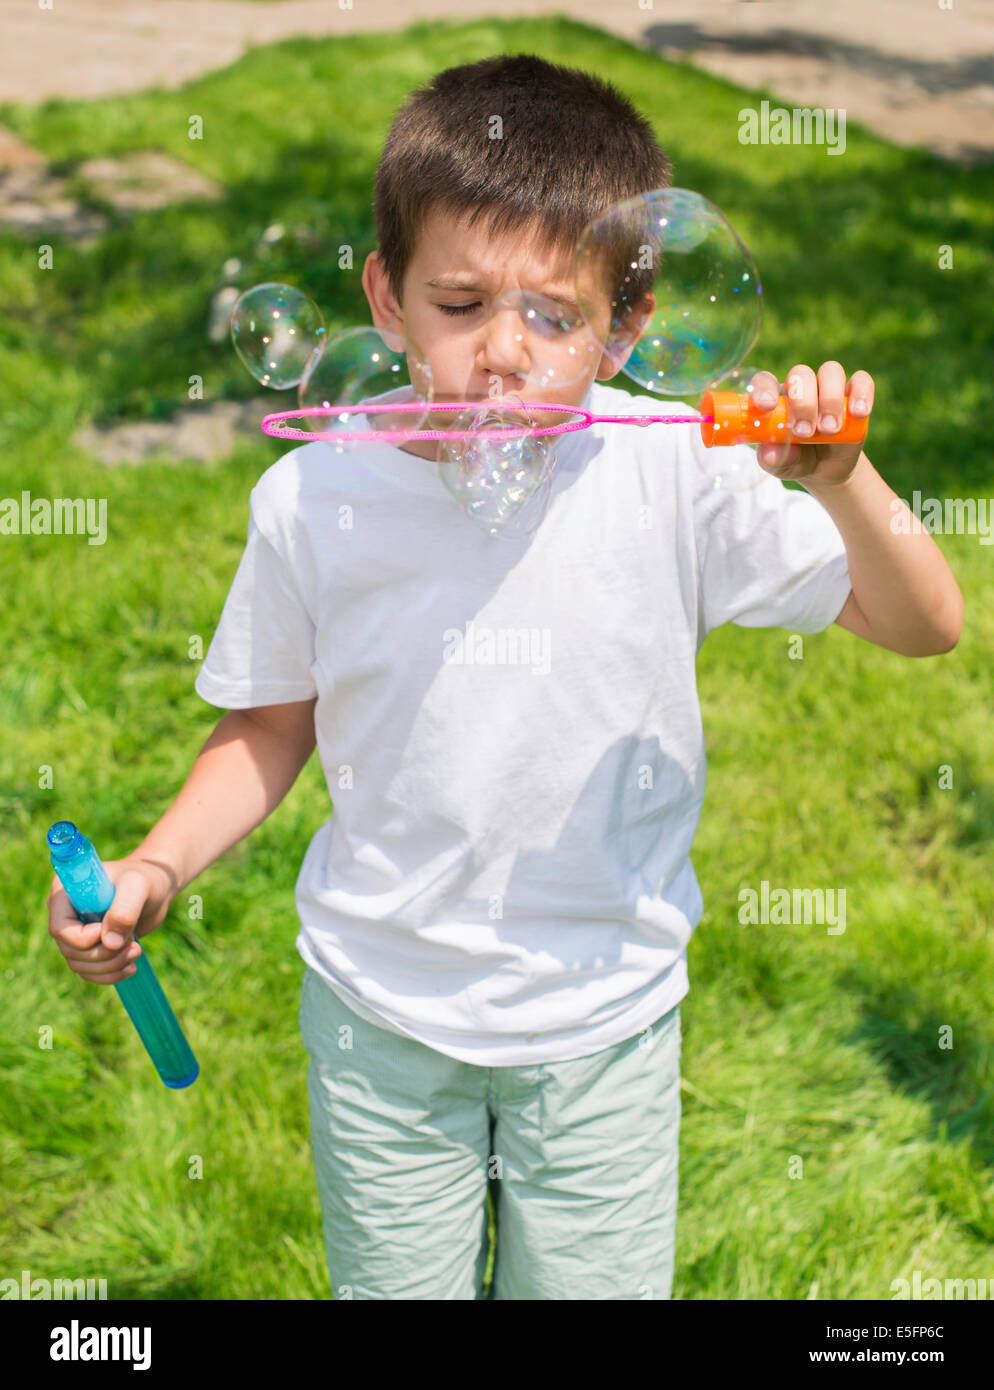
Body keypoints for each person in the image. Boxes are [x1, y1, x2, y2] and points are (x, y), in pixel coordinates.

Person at [47, 54, 962, 1300]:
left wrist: (840, 476)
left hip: (603, 1023)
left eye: (553, 316)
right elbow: (269, 724)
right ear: (385, 296)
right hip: (380, 1021)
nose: (499, 355)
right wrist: (156, 864)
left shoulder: (672, 476)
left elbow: (925, 622)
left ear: (627, 325)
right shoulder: (314, 496)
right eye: (460, 303)